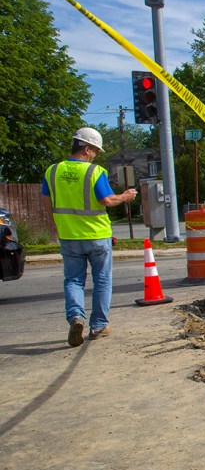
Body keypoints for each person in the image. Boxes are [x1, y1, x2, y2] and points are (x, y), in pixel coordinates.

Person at [42, 128, 138, 347]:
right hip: (97, 235)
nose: (95, 155)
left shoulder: (52, 171)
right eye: (95, 151)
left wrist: (56, 224)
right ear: (86, 149)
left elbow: (47, 202)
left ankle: (76, 317)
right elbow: (106, 200)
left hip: (69, 235)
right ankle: (98, 326)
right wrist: (125, 196)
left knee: (73, 280)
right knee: (102, 280)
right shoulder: (94, 172)